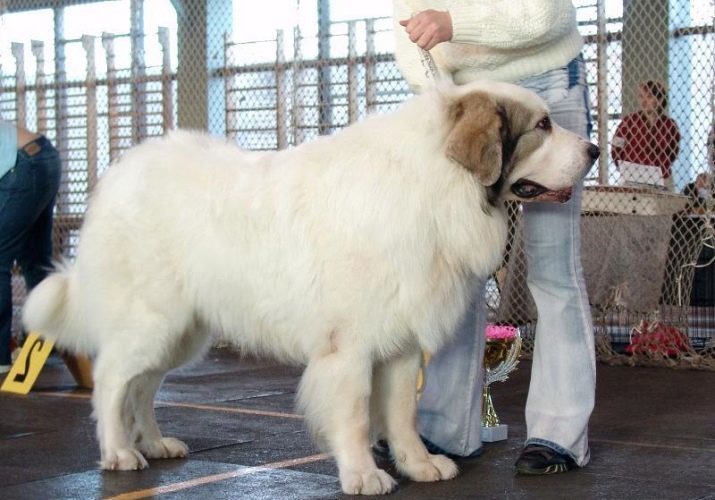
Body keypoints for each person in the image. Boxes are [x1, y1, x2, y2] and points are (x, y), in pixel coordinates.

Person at [392, 1, 595, 475]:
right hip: (471, 103)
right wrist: (445, 104)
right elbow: (407, 35)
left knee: (553, 272)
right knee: (457, 274)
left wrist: (453, 24)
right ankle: (444, 429)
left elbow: (546, 16)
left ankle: (559, 436)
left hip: (545, 84)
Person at [0, 120, 61, 373]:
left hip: (22, 164)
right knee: (37, 260)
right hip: (44, 156)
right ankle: (41, 344)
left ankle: (1, 359)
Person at [611, 80, 681, 191]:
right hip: (631, 177)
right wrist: (624, 168)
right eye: (641, 97)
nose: (643, 101)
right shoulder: (628, 122)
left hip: (660, 178)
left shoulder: (670, 126)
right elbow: (616, 148)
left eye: (649, 97)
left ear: (659, 100)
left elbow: (673, 152)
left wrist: (662, 168)